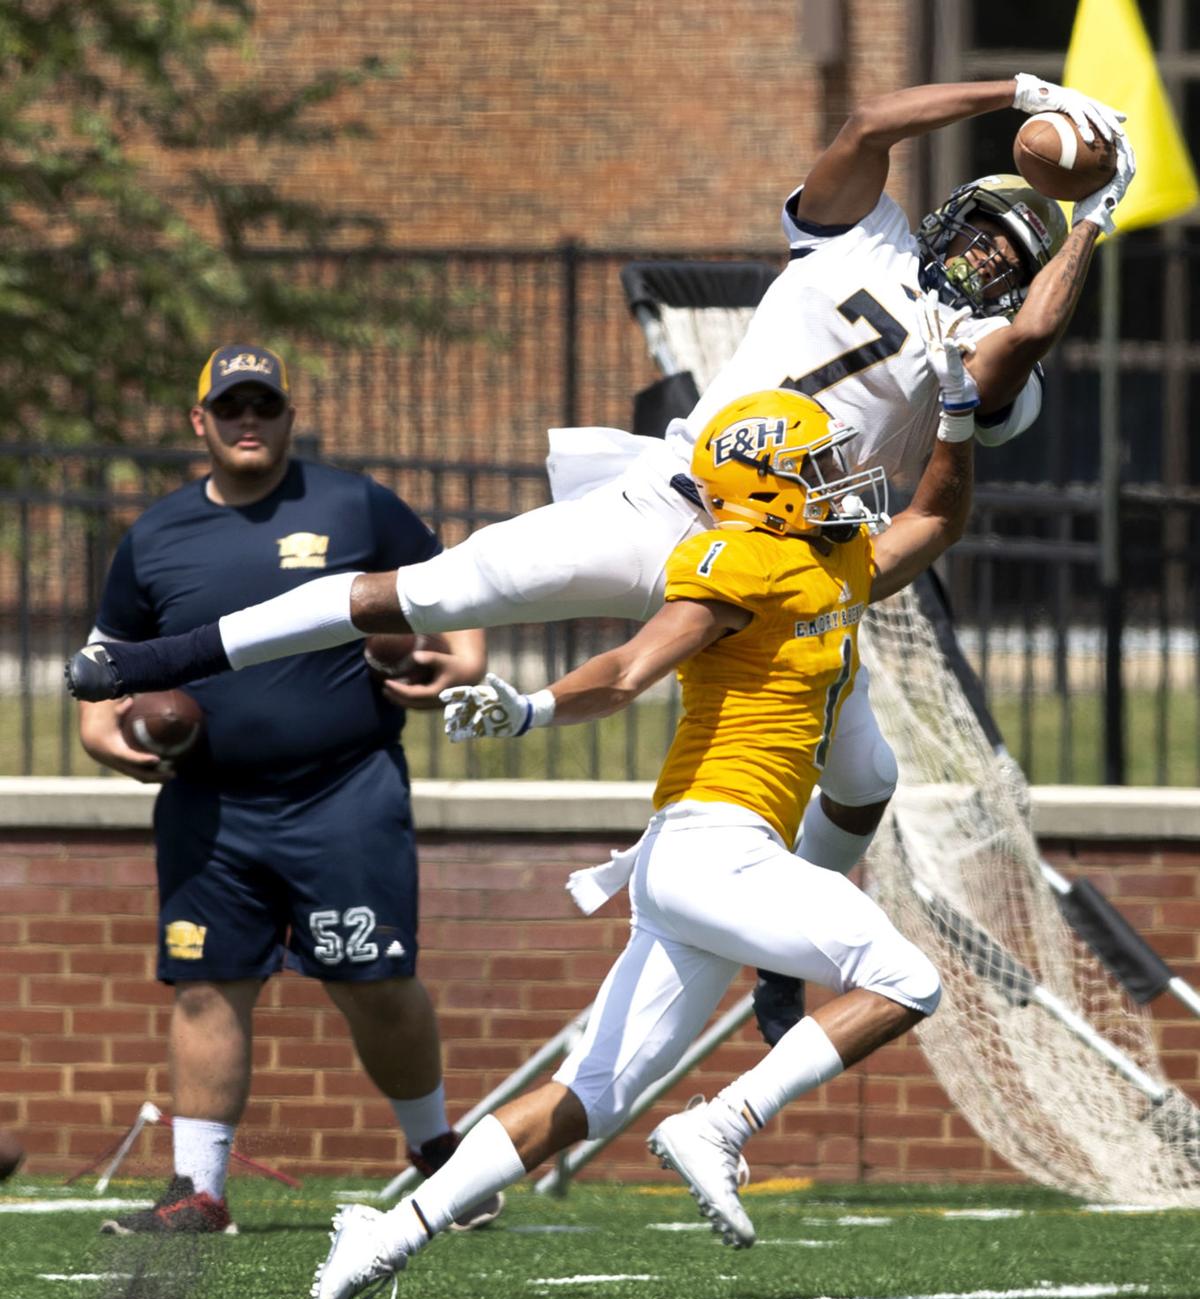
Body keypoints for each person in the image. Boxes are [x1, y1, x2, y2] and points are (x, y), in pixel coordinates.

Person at [65, 73, 1135, 1045]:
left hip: (793, 573)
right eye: (984, 231)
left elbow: (1028, 343)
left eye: (1012, 254)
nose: (988, 257)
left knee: (866, 780)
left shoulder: (987, 352)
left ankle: (779, 957)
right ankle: (159, 657)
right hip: (671, 503)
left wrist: (1096, 212)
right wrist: (1013, 89)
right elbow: (867, 126)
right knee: (428, 590)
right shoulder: (855, 239)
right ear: (950, 216)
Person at [308, 297, 977, 1299]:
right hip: (715, 848)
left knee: (591, 1093)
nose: (840, 477)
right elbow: (627, 669)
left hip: (702, 860)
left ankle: (391, 1229)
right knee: (905, 977)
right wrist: (532, 709)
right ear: (762, 488)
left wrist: (958, 411)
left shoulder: (828, 557)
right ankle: (723, 1122)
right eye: (815, 466)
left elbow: (933, 519)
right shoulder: (738, 559)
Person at [78, 343, 496, 1235]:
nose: (248, 420)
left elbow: (454, 594)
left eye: (263, 405)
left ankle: (437, 1151)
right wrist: (107, 736)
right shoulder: (155, 534)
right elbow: (108, 666)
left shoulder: (355, 504)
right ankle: (199, 1192)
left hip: (342, 792)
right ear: (200, 421)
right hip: (209, 804)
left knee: (374, 981)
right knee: (205, 982)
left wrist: (457, 666)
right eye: (231, 406)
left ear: (288, 416)